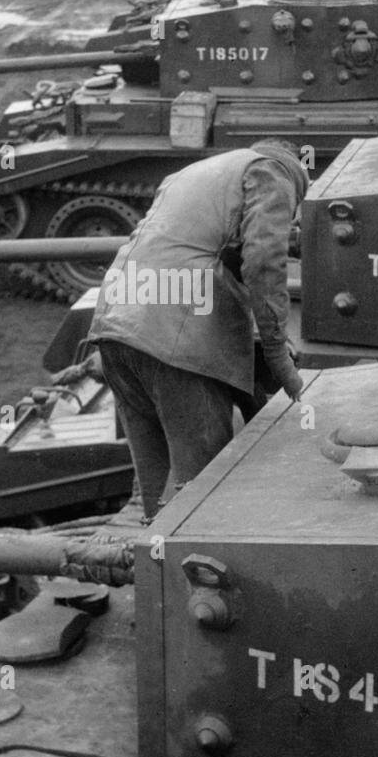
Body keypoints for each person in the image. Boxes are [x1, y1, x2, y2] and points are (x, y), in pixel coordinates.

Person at [88, 140, 308, 519]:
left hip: (117, 323)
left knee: (158, 506)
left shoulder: (192, 174)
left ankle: (155, 556)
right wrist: (277, 355)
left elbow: (204, 245)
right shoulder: (273, 172)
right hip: (179, 341)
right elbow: (263, 263)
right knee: (200, 505)